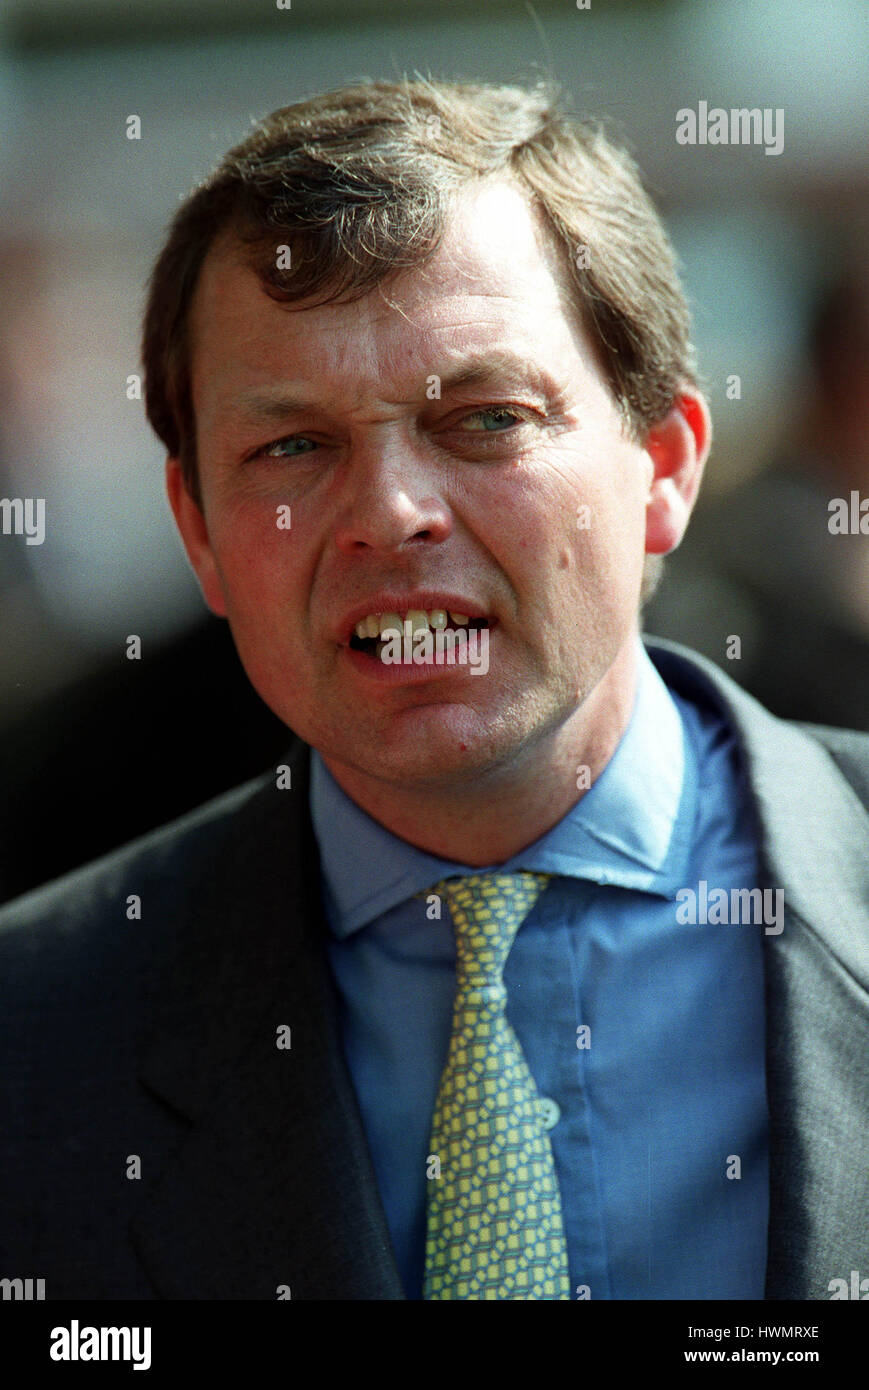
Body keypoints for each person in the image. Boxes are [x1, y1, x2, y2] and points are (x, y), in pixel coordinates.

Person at [1, 77, 866, 1302]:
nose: (391, 514)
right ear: (197, 528)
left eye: (482, 418)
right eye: (292, 446)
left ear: (662, 466)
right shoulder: (35, 1040)